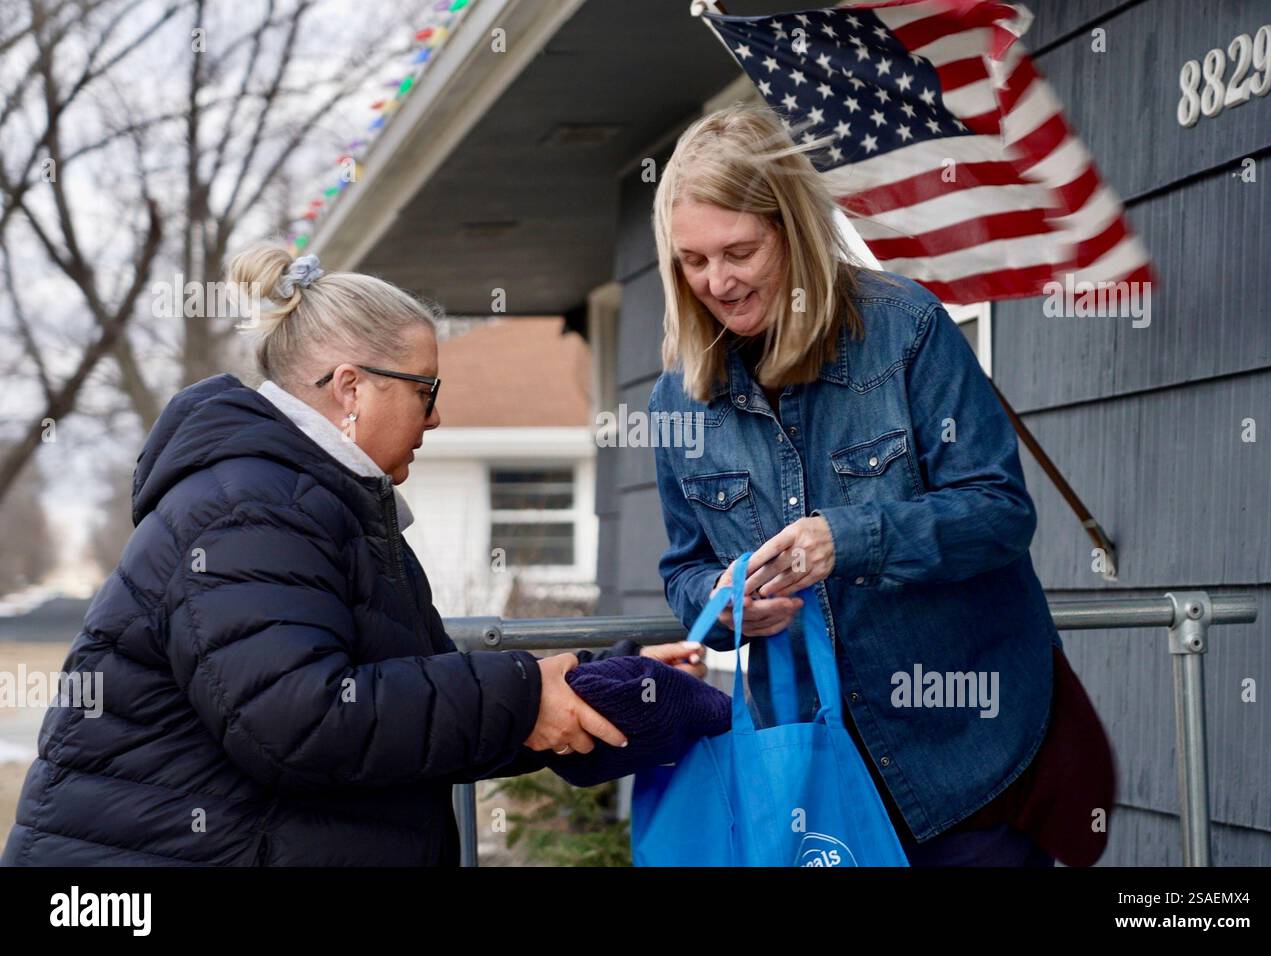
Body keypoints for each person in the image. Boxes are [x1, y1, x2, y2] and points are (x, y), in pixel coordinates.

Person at [1, 243, 702, 866]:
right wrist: (522, 696)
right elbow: (299, 720)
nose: (436, 417)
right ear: (350, 387)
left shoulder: (317, 503)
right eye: (426, 390)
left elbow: (405, 707)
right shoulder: (251, 508)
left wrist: (583, 684)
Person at [648, 105, 1092, 866]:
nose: (716, 282)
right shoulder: (677, 399)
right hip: (811, 776)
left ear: (791, 230)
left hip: (968, 759)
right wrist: (726, 602)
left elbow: (999, 514)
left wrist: (848, 538)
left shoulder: (907, 328)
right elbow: (683, 571)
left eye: (738, 252)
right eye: (692, 261)